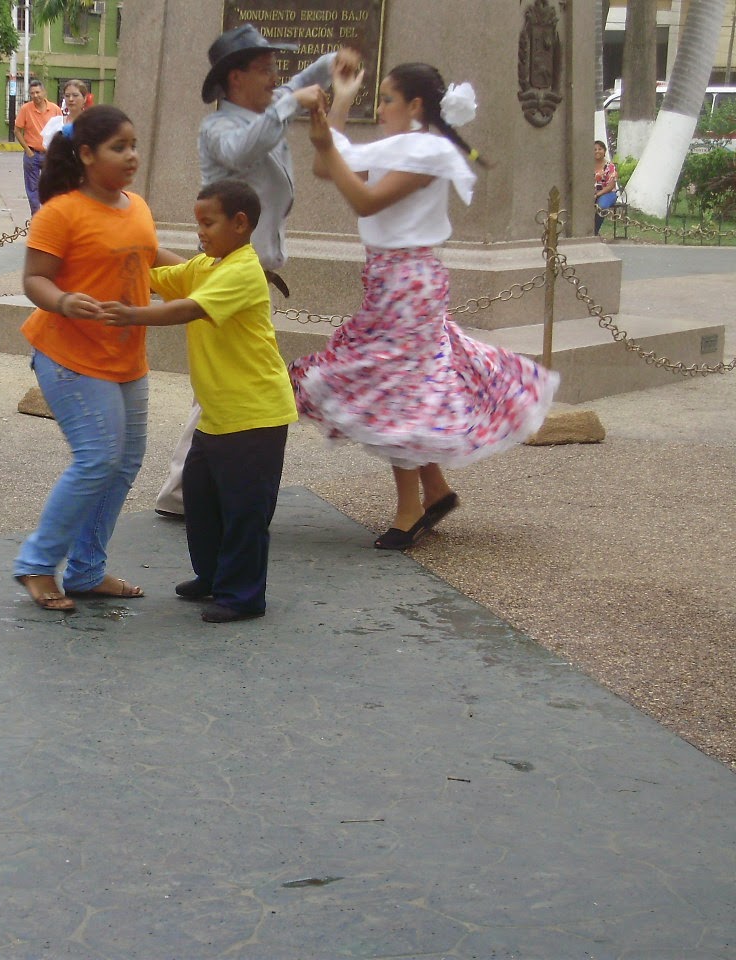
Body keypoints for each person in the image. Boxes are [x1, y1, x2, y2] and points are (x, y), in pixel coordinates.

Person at [288, 62, 558, 550]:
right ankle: (434, 490)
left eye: (388, 99)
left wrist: (325, 134)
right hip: (390, 278)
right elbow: (326, 166)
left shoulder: (430, 150)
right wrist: (342, 101)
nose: (383, 107)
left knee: (398, 386)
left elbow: (367, 201)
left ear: (415, 106)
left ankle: (410, 510)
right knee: (404, 383)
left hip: (408, 280)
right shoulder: (402, 147)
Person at [153, 25, 361, 520]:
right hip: (232, 272)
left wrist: (334, 60)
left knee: (225, 383)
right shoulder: (221, 129)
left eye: (274, 69)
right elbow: (248, 146)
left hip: (249, 274)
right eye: (265, 69)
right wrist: (291, 102)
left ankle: (184, 489)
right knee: (226, 385)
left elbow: (301, 83)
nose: (275, 78)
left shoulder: (265, 107)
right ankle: (183, 490)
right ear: (236, 78)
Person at [103, 180, 297, 623]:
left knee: (245, 510)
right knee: (203, 500)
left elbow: (186, 308)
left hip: (255, 415)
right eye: (198, 223)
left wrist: (131, 316)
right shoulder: (209, 265)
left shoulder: (241, 271)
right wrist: (122, 248)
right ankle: (213, 576)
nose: (200, 232)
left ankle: (243, 595)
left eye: (208, 223)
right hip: (219, 415)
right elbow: (158, 273)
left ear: (240, 223)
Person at [11, 105, 170, 612]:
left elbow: (150, 258)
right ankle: (38, 565)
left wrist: (213, 273)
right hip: (68, 356)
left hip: (126, 356)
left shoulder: (137, 206)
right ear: (85, 154)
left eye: (133, 145)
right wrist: (62, 300)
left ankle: (86, 571)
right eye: (118, 148)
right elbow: (34, 277)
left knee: (123, 465)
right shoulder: (61, 211)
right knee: (98, 458)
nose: (131, 156)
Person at [14, 79, 62, 215]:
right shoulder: (26, 109)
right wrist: (27, 150)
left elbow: (60, 130)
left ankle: (49, 216)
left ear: (44, 92)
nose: (35, 95)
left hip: (49, 155)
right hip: (32, 154)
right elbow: (17, 130)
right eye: (32, 93)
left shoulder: (55, 109)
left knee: (52, 186)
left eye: (38, 92)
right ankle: (36, 217)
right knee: (32, 189)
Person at [41, 78, 88, 149]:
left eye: (75, 95)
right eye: (67, 96)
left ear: (84, 98)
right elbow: (47, 148)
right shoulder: (55, 122)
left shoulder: (91, 123)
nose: (71, 99)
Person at [594, 139, 618, 236]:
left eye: (600, 149)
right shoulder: (586, 165)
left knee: (602, 206)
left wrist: (597, 195)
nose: (597, 151)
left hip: (607, 193)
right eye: (594, 149)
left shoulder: (610, 166)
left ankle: (594, 231)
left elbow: (611, 186)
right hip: (592, 193)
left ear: (604, 151)